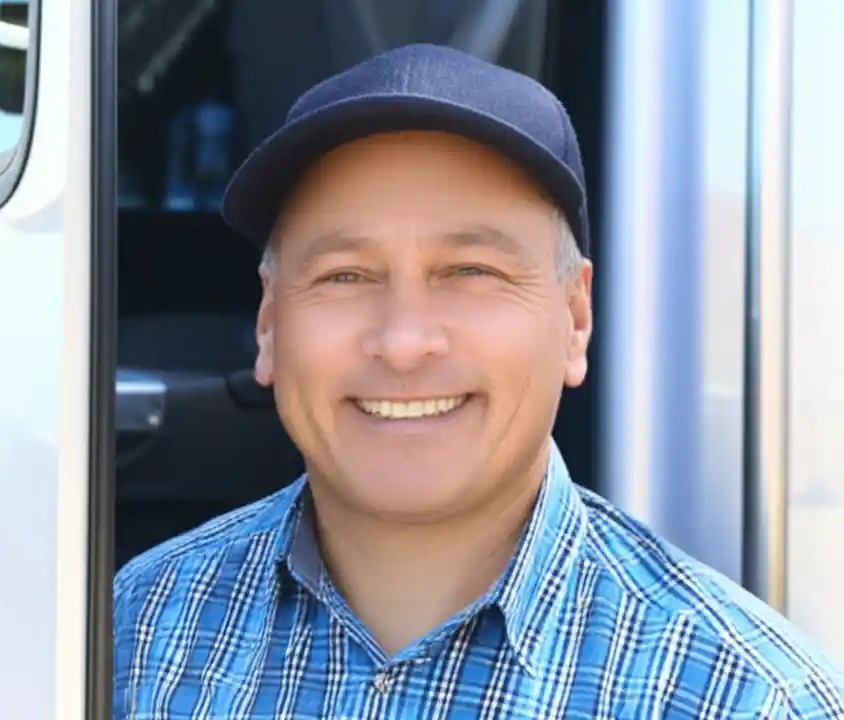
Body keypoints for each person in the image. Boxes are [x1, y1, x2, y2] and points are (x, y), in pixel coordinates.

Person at [111, 42, 844, 718]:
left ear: (576, 319)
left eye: (471, 272)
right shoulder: (132, 637)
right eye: (345, 275)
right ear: (269, 325)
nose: (403, 342)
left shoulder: (744, 697)